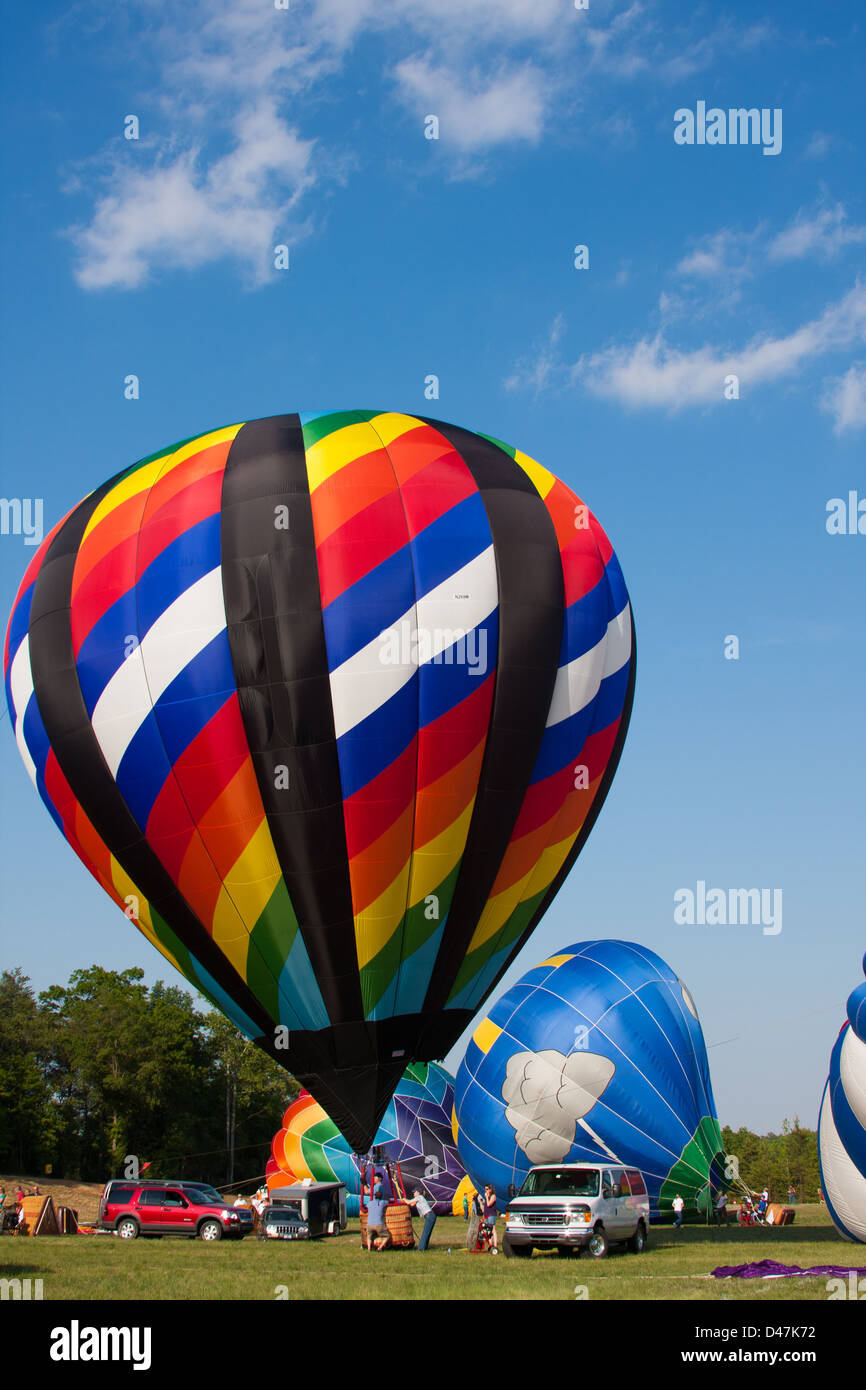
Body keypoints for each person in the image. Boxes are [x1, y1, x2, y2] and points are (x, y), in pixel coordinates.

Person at [405, 1187, 437, 1251]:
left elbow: (408, 1202)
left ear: (418, 1193)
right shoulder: (418, 1198)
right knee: (427, 1232)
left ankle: (421, 1249)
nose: (413, 1193)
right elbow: (411, 1204)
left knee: (425, 1232)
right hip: (430, 1216)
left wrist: (403, 1199)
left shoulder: (419, 1197)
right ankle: (424, 1247)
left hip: (429, 1216)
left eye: (414, 1192)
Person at [365, 1183, 391, 1251]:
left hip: (369, 1225)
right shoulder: (382, 1202)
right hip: (379, 1225)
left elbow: (366, 1207)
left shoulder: (369, 1203)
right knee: (387, 1236)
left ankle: (369, 1249)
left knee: (368, 1237)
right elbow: (388, 1201)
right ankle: (380, 1247)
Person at [482, 1185, 498, 1253]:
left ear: (490, 1189)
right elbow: (485, 1207)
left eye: (487, 1189)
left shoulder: (493, 1196)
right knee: (488, 1231)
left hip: (491, 1215)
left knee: (493, 1230)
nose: (486, 1190)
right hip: (486, 1215)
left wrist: (486, 1197)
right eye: (485, 1189)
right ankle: (490, 1245)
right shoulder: (486, 1197)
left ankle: (495, 1245)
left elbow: (489, 1204)